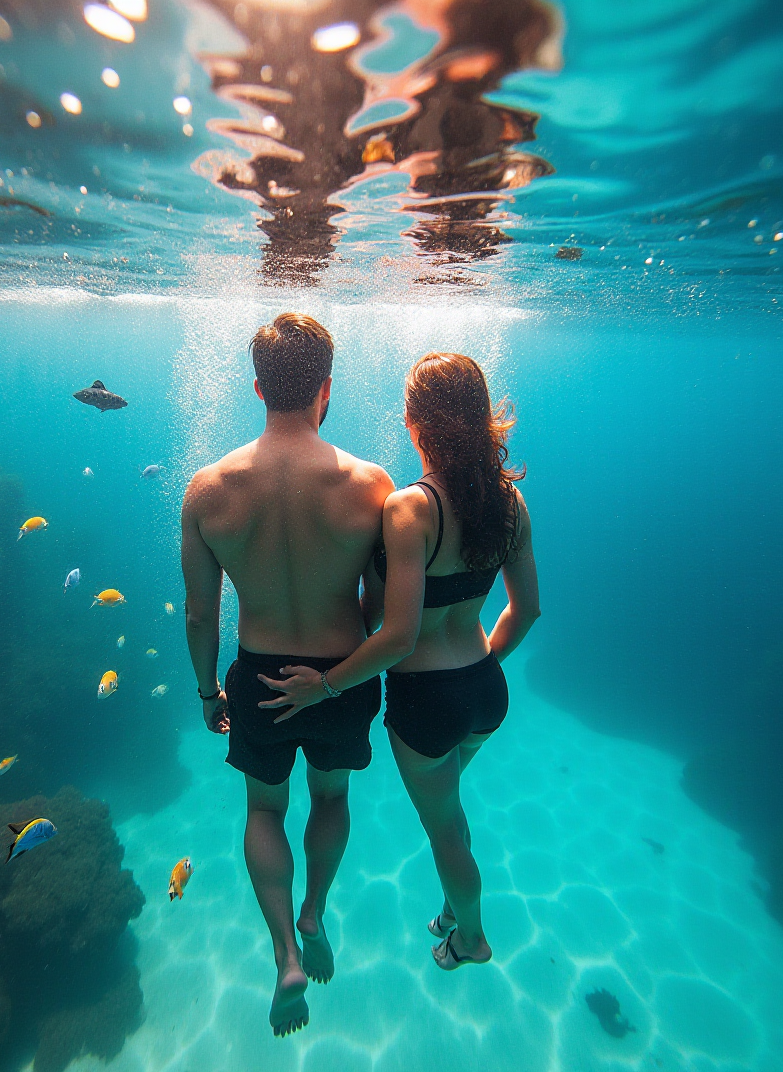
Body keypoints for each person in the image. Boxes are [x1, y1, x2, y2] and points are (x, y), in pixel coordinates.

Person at [256, 351, 539, 971]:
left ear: (415, 421)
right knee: (451, 814)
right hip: (486, 692)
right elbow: (527, 610)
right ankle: (452, 906)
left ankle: (471, 939)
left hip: (428, 703)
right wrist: (482, 663)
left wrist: (324, 686)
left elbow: (399, 637)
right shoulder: (509, 503)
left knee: (447, 831)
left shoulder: (410, 509)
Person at [181, 313, 394, 1036]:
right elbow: (379, 603)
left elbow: (200, 617)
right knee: (330, 795)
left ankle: (283, 955)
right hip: (344, 671)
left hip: (259, 675)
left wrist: (210, 689)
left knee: (264, 810)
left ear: (256, 387)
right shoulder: (370, 484)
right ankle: (314, 913)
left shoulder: (208, 490)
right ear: (325, 388)